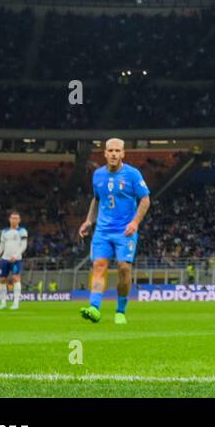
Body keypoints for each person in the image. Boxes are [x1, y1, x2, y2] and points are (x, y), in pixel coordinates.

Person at [78, 138, 151, 325]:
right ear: (104, 153)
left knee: (124, 268)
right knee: (99, 266)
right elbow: (96, 199)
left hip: (125, 231)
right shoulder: (98, 175)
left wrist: (135, 222)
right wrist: (88, 220)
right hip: (102, 231)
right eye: (110, 150)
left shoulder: (133, 175)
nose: (113, 154)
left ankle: (120, 310)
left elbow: (145, 200)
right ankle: (94, 308)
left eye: (117, 151)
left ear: (123, 154)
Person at [0, 212, 27, 311]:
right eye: (12, 218)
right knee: (2, 280)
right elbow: (1, 246)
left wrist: (15, 256)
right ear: (9, 219)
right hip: (5, 259)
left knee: (16, 278)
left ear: (19, 220)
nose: (14, 220)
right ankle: (3, 303)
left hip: (16, 259)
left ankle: (16, 303)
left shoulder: (22, 231)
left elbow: (24, 246)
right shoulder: (4, 232)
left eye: (16, 218)